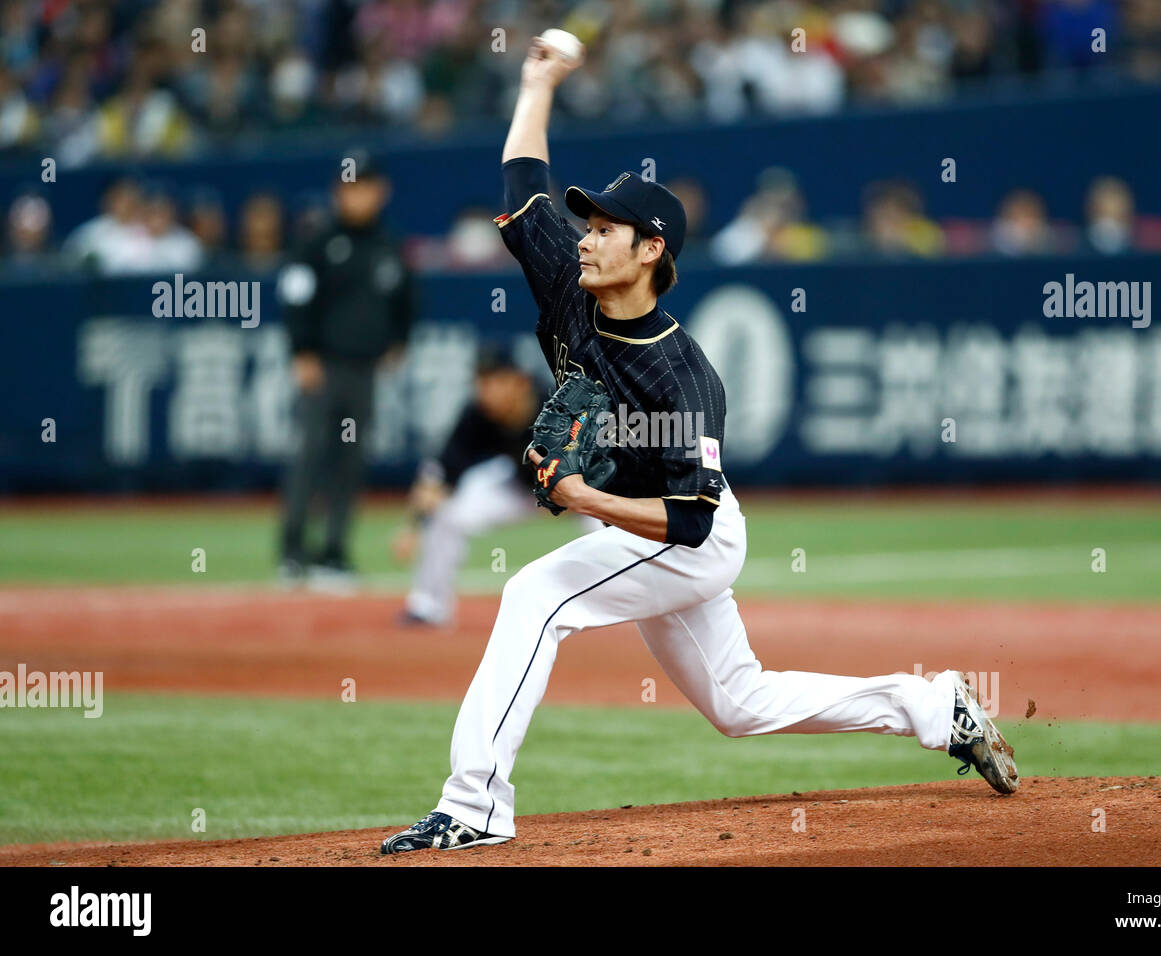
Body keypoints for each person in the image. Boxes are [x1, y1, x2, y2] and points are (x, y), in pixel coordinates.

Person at [379, 36, 1018, 855]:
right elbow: (520, 184)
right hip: (645, 524)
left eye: (606, 227)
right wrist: (538, 81)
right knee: (738, 704)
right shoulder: (570, 288)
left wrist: (581, 499)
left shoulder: (682, 378)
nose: (585, 237)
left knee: (534, 599)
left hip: (691, 533)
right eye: (588, 223)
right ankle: (931, 706)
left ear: (650, 251)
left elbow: (687, 521)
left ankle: (473, 806)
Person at [277, 149, 415, 591]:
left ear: (383, 192)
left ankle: (334, 554)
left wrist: (399, 342)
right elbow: (295, 297)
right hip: (323, 368)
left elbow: (407, 301)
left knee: (349, 464)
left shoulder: (389, 246)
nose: (358, 196)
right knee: (309, 457)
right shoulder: (317, 242)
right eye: (350, 187)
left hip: (364, 372)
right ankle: (293, 553)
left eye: (366, 187)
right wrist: (302, 352)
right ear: (338, 192)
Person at [393, 347, 601, 628]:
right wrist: (413, 526)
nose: (485, 391)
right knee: (449, 512)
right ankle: (428, 606)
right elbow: (440, 474)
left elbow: (600, 459)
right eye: (481, 382)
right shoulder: (478, 413)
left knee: (610, 529)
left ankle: (629, 602)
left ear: (520, 382)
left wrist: (571, 498)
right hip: (520, 487)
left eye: (493, 381)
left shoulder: (560, 404)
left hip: (584, 490)